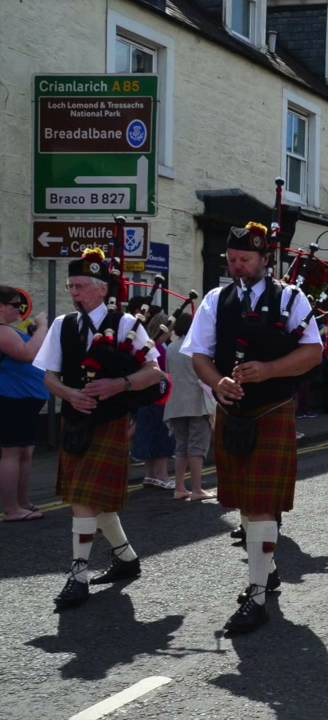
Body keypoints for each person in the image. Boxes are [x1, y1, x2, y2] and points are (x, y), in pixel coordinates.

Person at [183, 221, 322, 634]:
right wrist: (217, 381)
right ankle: (269, 571)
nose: (237, 266)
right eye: (232, 259)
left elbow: (313, 352)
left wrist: (269, 370)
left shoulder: (290, 298)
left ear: (265, 260)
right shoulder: (216, 300)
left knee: (261, 504)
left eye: (245, 259)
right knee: (246, 502)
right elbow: (199, 354)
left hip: (273, 409)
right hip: (233, 412)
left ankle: (257, 594)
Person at [34, 248, 165, 610]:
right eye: (70, 286)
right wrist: (68, 394)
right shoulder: (63, 325)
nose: (73, 292)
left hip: (110, 422)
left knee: (84, 499)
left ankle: (78, 574)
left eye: (78, 286)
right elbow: (48, 375)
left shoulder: (127, 325)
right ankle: (125, 558)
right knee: (90, 499)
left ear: (100, 289)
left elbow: (154, 373)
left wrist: (119, 384)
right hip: (75, 420)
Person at [0, 286, 49, 521]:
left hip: (25, 399)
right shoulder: (2, 331)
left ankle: (22, 501)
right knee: (11, 453)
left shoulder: (9, 330)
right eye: (15, 305)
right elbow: (27, 353)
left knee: (25, 452)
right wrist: (42, 327)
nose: (19, 309)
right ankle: (11, 509)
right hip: (11, 399)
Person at [164, 312, 215, 501]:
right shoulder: (198, 348)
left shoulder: (171, 347)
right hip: (197, 402)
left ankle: (179, 487)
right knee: (197, 447)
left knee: (180, 447)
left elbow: (169, 373)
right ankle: (197, 489)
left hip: (175, 402)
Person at [133, 312, 175, 490]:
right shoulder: (159, 348)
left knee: (148, 435)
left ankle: (150, 475)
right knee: (162, 436)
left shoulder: (146, 345)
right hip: (160, 397)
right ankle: (162, 476)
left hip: (145, 397)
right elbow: (160, 373)